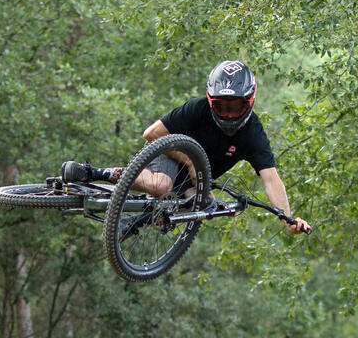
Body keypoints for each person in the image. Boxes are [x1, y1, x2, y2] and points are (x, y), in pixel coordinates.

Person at [63, 60, 311, 234]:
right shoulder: (197, 108)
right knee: (162, 185)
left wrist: (287, 219)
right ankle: (94, 172)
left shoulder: (253, 134)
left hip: (196, 183)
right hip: (170, 158)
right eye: (221, 106)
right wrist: (192, 162)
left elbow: (271, 180)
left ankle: (136, 222)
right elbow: (151, 133)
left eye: (235, 107)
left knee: (206, 206)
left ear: (250, 101)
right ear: (211, 99)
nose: (227, 114)